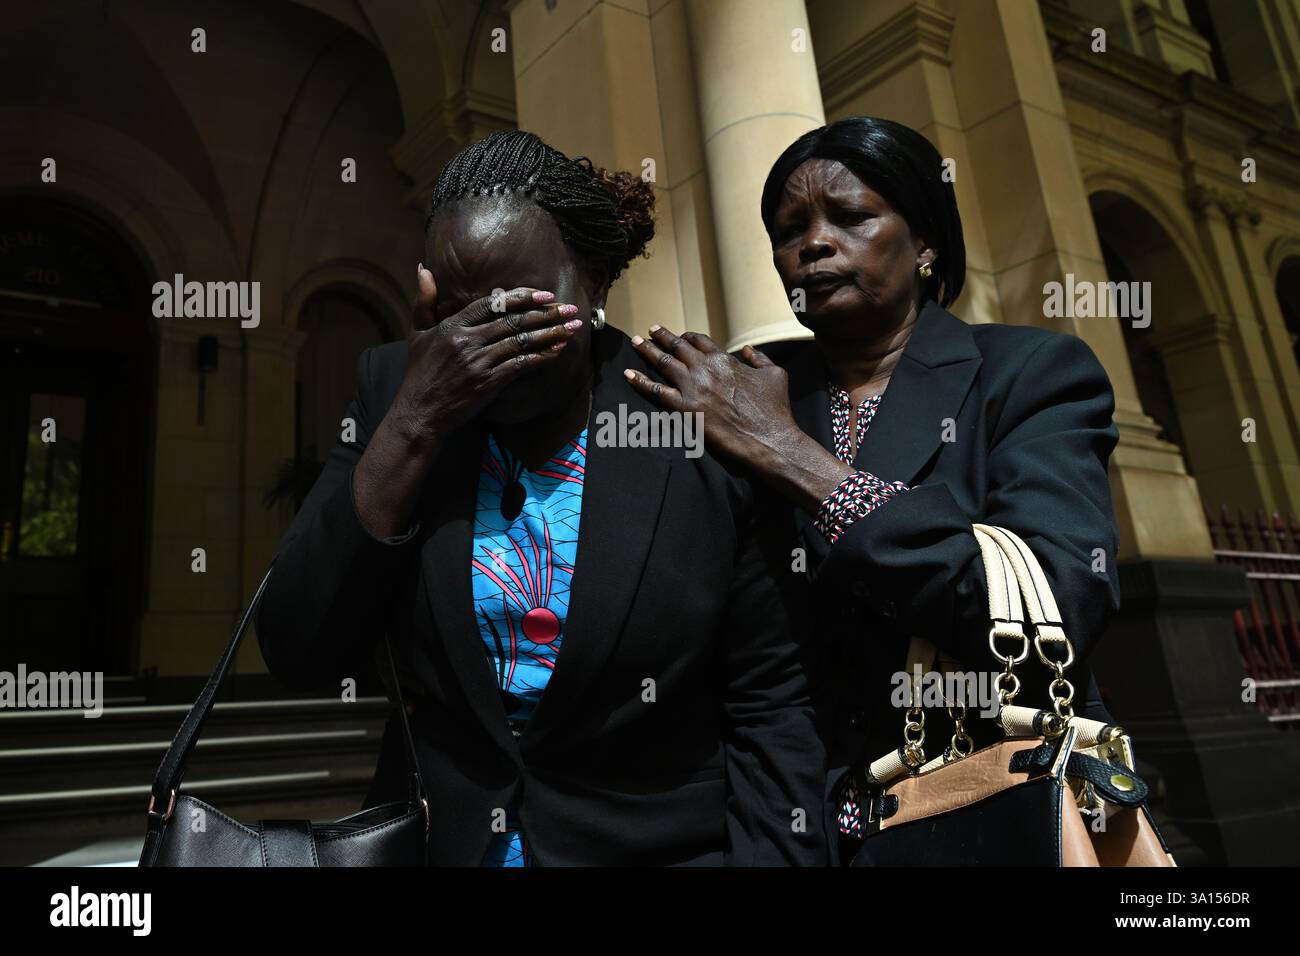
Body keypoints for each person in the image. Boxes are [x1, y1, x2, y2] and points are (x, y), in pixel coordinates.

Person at [255, 130, 826, 866]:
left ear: (593, 286)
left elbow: (772, 700)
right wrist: (415, 420)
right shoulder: (395, 390)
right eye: (463, 312)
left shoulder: (690, 412)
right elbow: (298, 646)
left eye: (525, 308)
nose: (492, 342)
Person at [624, 116, 1122, 865]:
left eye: (851, 217)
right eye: (789, 229)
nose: (813, 244)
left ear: (925, 243)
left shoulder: (1030, 373)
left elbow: (1059, 596)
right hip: (789, 823)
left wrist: (795, 459)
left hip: (983, 803)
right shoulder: (756, 387)